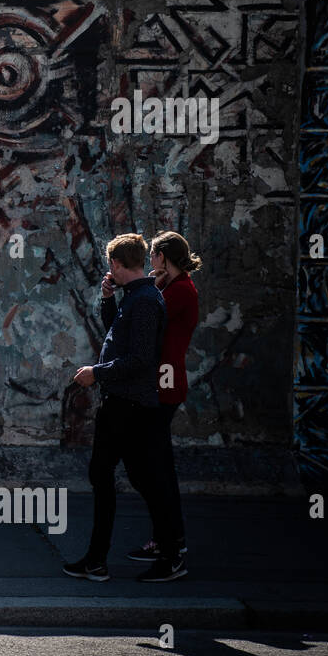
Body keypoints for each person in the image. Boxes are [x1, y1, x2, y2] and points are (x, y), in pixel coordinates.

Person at [64, 233, 182, 583]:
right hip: (124, 404)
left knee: (107, 476)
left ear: (116, 264)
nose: (108, 270)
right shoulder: (135, 297)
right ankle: (162, 554)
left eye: (109, 264)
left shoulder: (145, 301)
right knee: (137, 478)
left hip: (127, 406)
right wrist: (106, 300)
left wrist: (95, 374)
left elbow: (139, 359)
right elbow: (119, 339)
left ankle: (106, 560)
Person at [122, 231, 201, 565]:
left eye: (153, 253)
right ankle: (168, 538)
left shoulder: (180, 291)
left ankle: (170, 541)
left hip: (164, 387)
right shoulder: (170, 287)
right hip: (159, 385)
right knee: (153, 468)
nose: (149, 259)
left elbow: (146, 319)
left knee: (152, 469)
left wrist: (142, 289)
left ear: (165, 257)